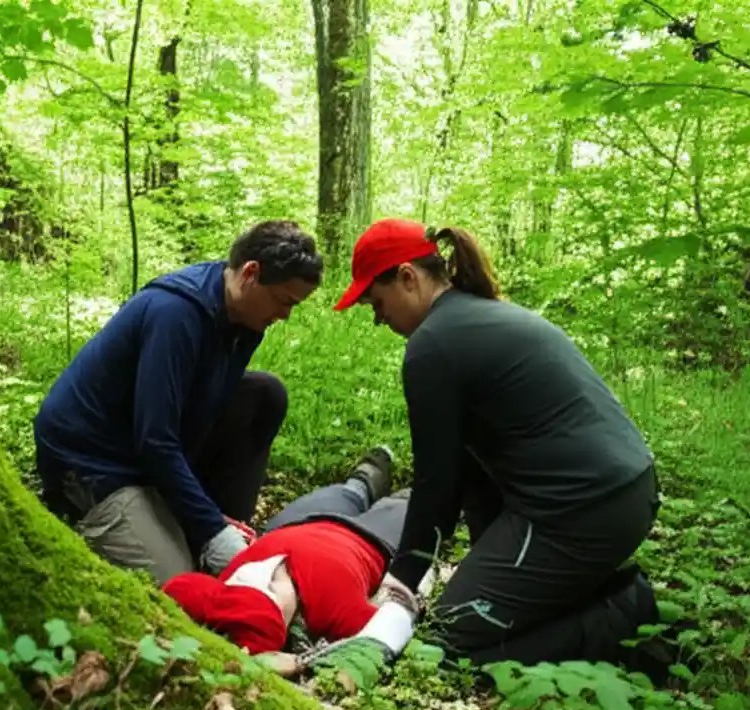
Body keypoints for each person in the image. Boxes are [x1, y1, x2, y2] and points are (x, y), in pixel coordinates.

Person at [332, 218, 664, 670]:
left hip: (581, 510)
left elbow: (437, 485)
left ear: (407, 278)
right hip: (626, 490)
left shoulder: (432, 346)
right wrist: (489, 560)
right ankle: (594, 597)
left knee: (447, 646)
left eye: (377, 302)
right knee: (474, 615)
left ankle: (619, 618)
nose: (378, 318)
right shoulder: (479, 317)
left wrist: (400, 586)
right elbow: (469, 470)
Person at [33, 220, 324, 585]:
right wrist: (210, 530)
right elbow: (155, 440)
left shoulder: (247, 322)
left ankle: (221, 528)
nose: (285, 315)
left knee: (265, 394)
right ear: (251, 273)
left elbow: (194, 413)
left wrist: (210, 519)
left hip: (145, 448)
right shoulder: (176, 313)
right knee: (184, 585)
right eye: (284, 301)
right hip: (94, 463)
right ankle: (198, 536)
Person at [162, 447, 424, 674]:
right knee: (411, 509)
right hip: (371, 539)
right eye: (272, 587)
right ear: (288, 620)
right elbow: (388, 623)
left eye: (242, 580)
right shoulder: (334, 610)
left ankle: (370, 472)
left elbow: (179, 590)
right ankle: (420, 486)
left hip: (299, 521)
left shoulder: (232, 579)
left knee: (350, 492)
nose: (261, 572)